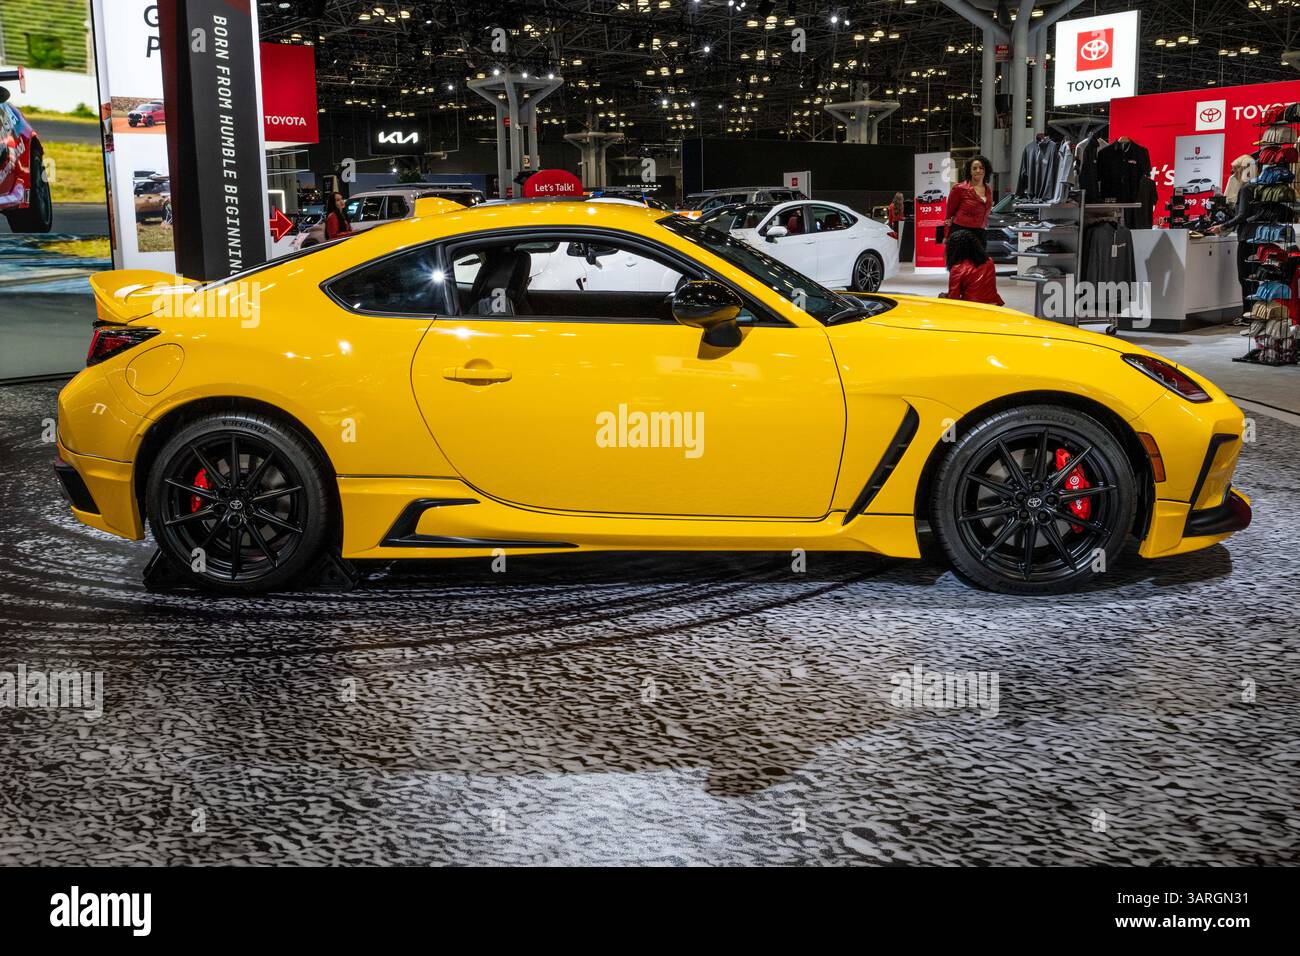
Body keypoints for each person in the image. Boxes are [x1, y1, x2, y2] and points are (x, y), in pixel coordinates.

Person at [1210, 177, 1256, 321]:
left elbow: (1241, 215)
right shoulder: (1258, 187)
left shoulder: (1245, 189)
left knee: (1244, 277)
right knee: (1254, 277)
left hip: (1246, 237)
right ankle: (1254, 314)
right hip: (1259, 236)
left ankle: (1247, 316)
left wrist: (1223, 226)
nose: (1234, 174)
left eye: (1236, 170)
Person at [939, 226, 1003, 306]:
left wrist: (944, 297)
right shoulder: (989, 261)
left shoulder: (958, 268)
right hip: (993, 303)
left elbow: (953, 297)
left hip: (973, 306)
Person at [944, 155, 994, 250]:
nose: (978, 171)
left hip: (980, 232)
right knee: (959, 264)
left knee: (980, 263)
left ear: (986, 170)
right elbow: (949, 215)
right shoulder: (959, 189)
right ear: (970, 171)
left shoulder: (988, 190)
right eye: (974, 168)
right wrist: (946, 236)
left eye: (981, 168)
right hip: (961, 233)